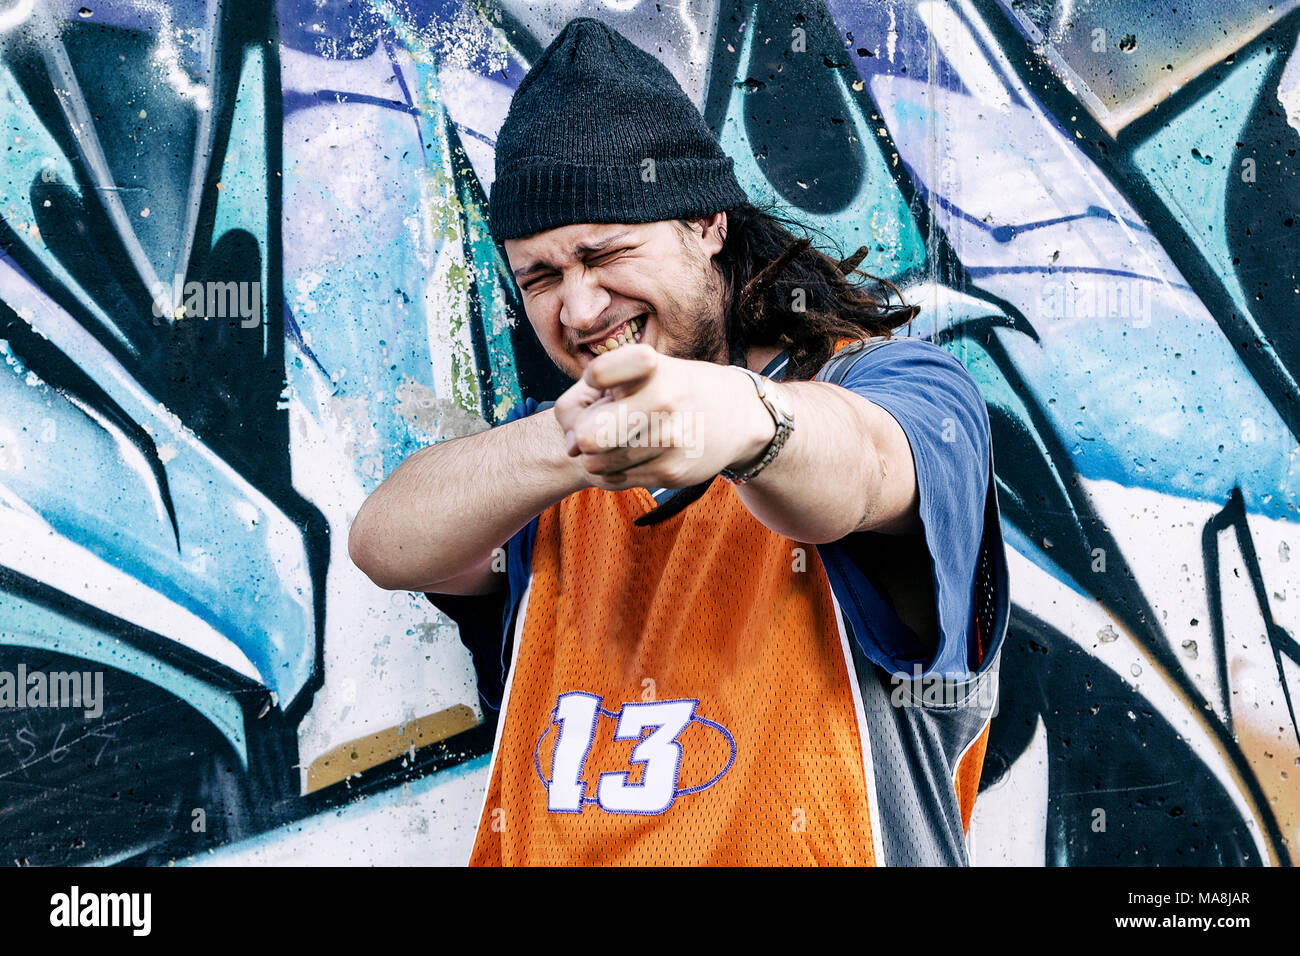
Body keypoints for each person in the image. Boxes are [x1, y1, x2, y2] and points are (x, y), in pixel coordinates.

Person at [349, 16, 1010, 866]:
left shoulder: (900, 390)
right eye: (541, 277)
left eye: (605, 254)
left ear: (707, 225)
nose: (579, 310)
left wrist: (744, 423)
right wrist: (572, 443)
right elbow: (385, 543)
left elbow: (867, 464)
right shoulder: (553, 463)